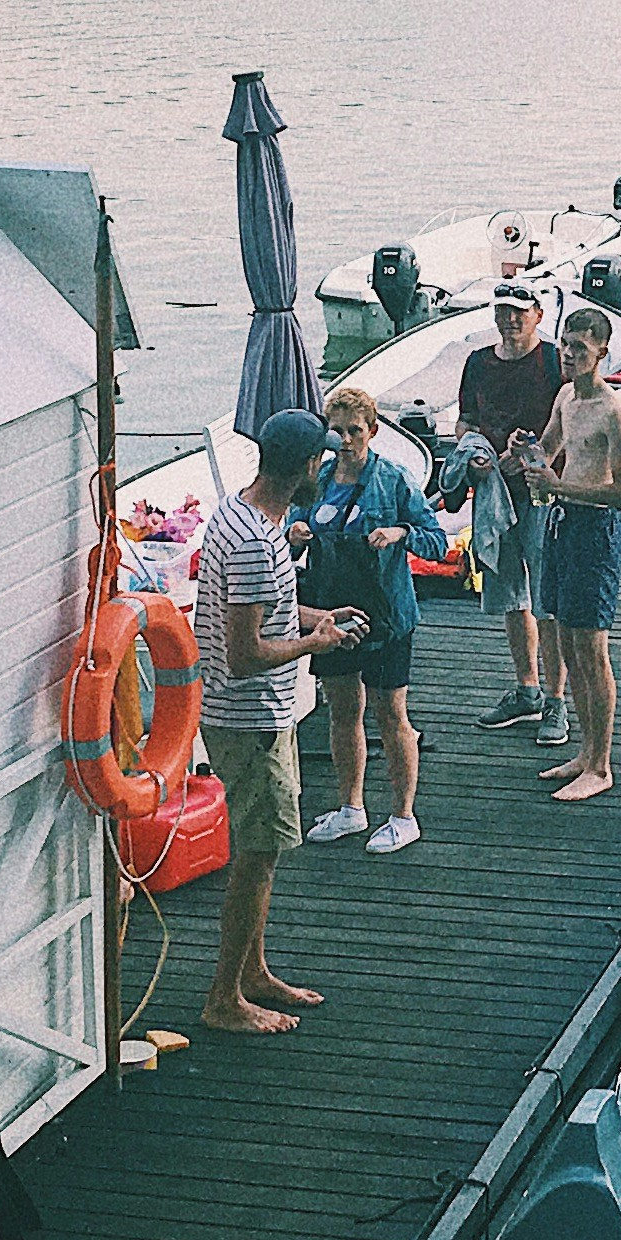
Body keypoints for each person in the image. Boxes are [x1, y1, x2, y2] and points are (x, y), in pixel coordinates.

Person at [193, 409, 365, 1037]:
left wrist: (319, 614)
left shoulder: (237, 513)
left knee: (263, 850)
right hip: (250, 718)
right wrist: (316, 643)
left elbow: (268, 612)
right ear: (307, 466)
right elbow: (245, 655)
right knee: (258, 854)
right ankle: (224, 997)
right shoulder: (260, 545)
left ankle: (254, 971)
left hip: (250, 714)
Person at [302, 385, 437, 855]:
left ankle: (404, 815)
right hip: (332, 610)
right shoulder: (316, 481)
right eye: (335, 431)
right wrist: (295, 532)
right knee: (342, 709)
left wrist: (400, 531)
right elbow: (288, 531)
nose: (344, 440)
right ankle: (350, 807)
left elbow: (435, 539)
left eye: (353, 430)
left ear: (372, 431)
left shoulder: (393, 480)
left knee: (390, 712)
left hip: (387, 612)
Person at [528, 303, 621, 804]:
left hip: (594, 529)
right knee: (568, 644)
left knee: (592, 651)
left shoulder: (613, 411)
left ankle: (602, 764)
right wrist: (522, 454)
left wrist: (561, 486)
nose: (569, 356)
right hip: (563, 524)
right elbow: (547, 449)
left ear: (602, 354)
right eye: (565, 346)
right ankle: (585, 752)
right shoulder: (566, 396)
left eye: (580, 350)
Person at [461, 282, 567, 744]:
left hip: (542, 491)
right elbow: (465, 420)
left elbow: (569, 418)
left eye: (520, 311)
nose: (511, 319)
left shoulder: (552, 363)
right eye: (503, 310)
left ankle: (557, 700)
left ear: (539, 315)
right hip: (494, 495)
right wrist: (475, 453)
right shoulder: (478, 363)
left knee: (547, 596)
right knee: (509, 594)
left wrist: (528, 457)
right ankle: (527, 689)